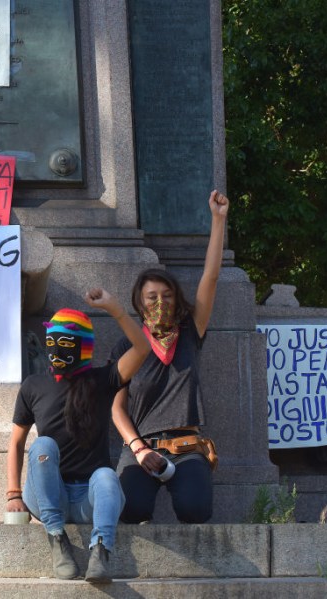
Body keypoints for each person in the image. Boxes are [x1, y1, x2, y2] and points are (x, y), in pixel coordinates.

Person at [6, 289, 150, 583]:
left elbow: (142, 348)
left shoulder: (102, 380)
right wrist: (13, 494)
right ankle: (57, 538)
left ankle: (100, 551)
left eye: (66, 344)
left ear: (82, 346)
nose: (57, 351)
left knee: (107, 475)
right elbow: (17, 442)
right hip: (49, 494)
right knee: (43, 444)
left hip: (90, 497)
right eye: (52, 343)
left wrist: (115, 308)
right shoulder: (33, 385)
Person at [111, 189, 229, 524]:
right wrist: (138, 449)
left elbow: (211, 276)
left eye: (167, 295)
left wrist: (218, 219)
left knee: (195, 509)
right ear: (139, 302)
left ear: (177, 299)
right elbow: (116, 407)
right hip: (141, 446)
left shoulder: (192, 331)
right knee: (129, 510)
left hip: (187, 446)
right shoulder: (127, 346)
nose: (159, 302)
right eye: (151, 297)